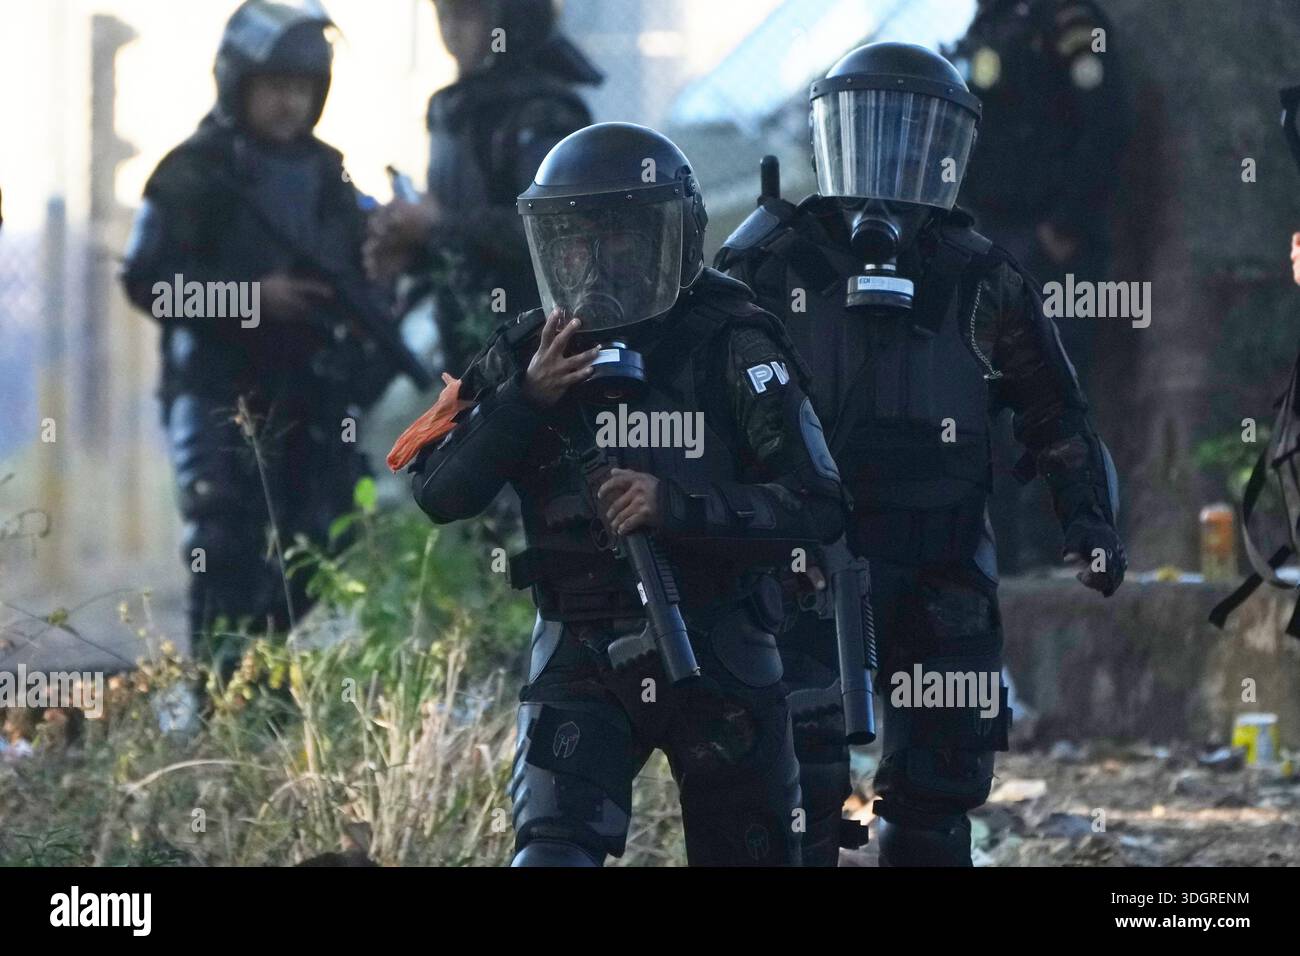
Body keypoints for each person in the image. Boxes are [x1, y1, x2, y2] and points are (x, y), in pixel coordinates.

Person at [390, 122, 846, 866]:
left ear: (673, 238)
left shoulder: (732, 340)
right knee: (552, 855)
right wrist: (525, 399)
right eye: (575, 242)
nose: (598, 263)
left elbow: (818, 505)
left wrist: (680, 509)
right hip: (583, 649)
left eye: (623, 238)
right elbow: (439, 490)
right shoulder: (531, 349)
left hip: (721, 644)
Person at [716, 42, 1126, 866]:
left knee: (937, 798)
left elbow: (1055, 410)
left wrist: (1089, 522)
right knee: (802, 777)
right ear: (828, 139)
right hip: (806, 567)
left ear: (949, 152)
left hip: (941, 565)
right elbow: (706, 403)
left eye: (912, 138)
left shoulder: (981, 274)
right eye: (869, 133)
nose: (889, 159)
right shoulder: (769, 261)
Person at [120, 0, 394, 680]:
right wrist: (251, 300)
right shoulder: (193, 172)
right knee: (223, 543)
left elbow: (361, 275)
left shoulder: (331, 178)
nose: (287, 102)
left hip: (312, 393)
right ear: (238, 82)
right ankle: (222, 698)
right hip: (216, 395)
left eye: (301, 88)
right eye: (274, 85)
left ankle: (258, 678)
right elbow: (148, 283)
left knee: (326, 539)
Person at [945, 0, 1129, 572]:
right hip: (992, 242)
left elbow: (1106, 123)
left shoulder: (1071, 24)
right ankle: (1005, 550)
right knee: (985, 394)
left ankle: (1068, 541)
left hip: (1053, 249)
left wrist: (1065, 224)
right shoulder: (986, 26)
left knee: (1056, 389)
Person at [364, 0, 602, 377]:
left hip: (536, 350)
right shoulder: (454, 107)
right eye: (443, 14)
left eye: (466, 13)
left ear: (512, 17)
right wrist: (410, 249)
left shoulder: (544, 111)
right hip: (467, 347)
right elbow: (459, 242)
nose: (451, 28)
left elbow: (554, 234)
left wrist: (435, 226)